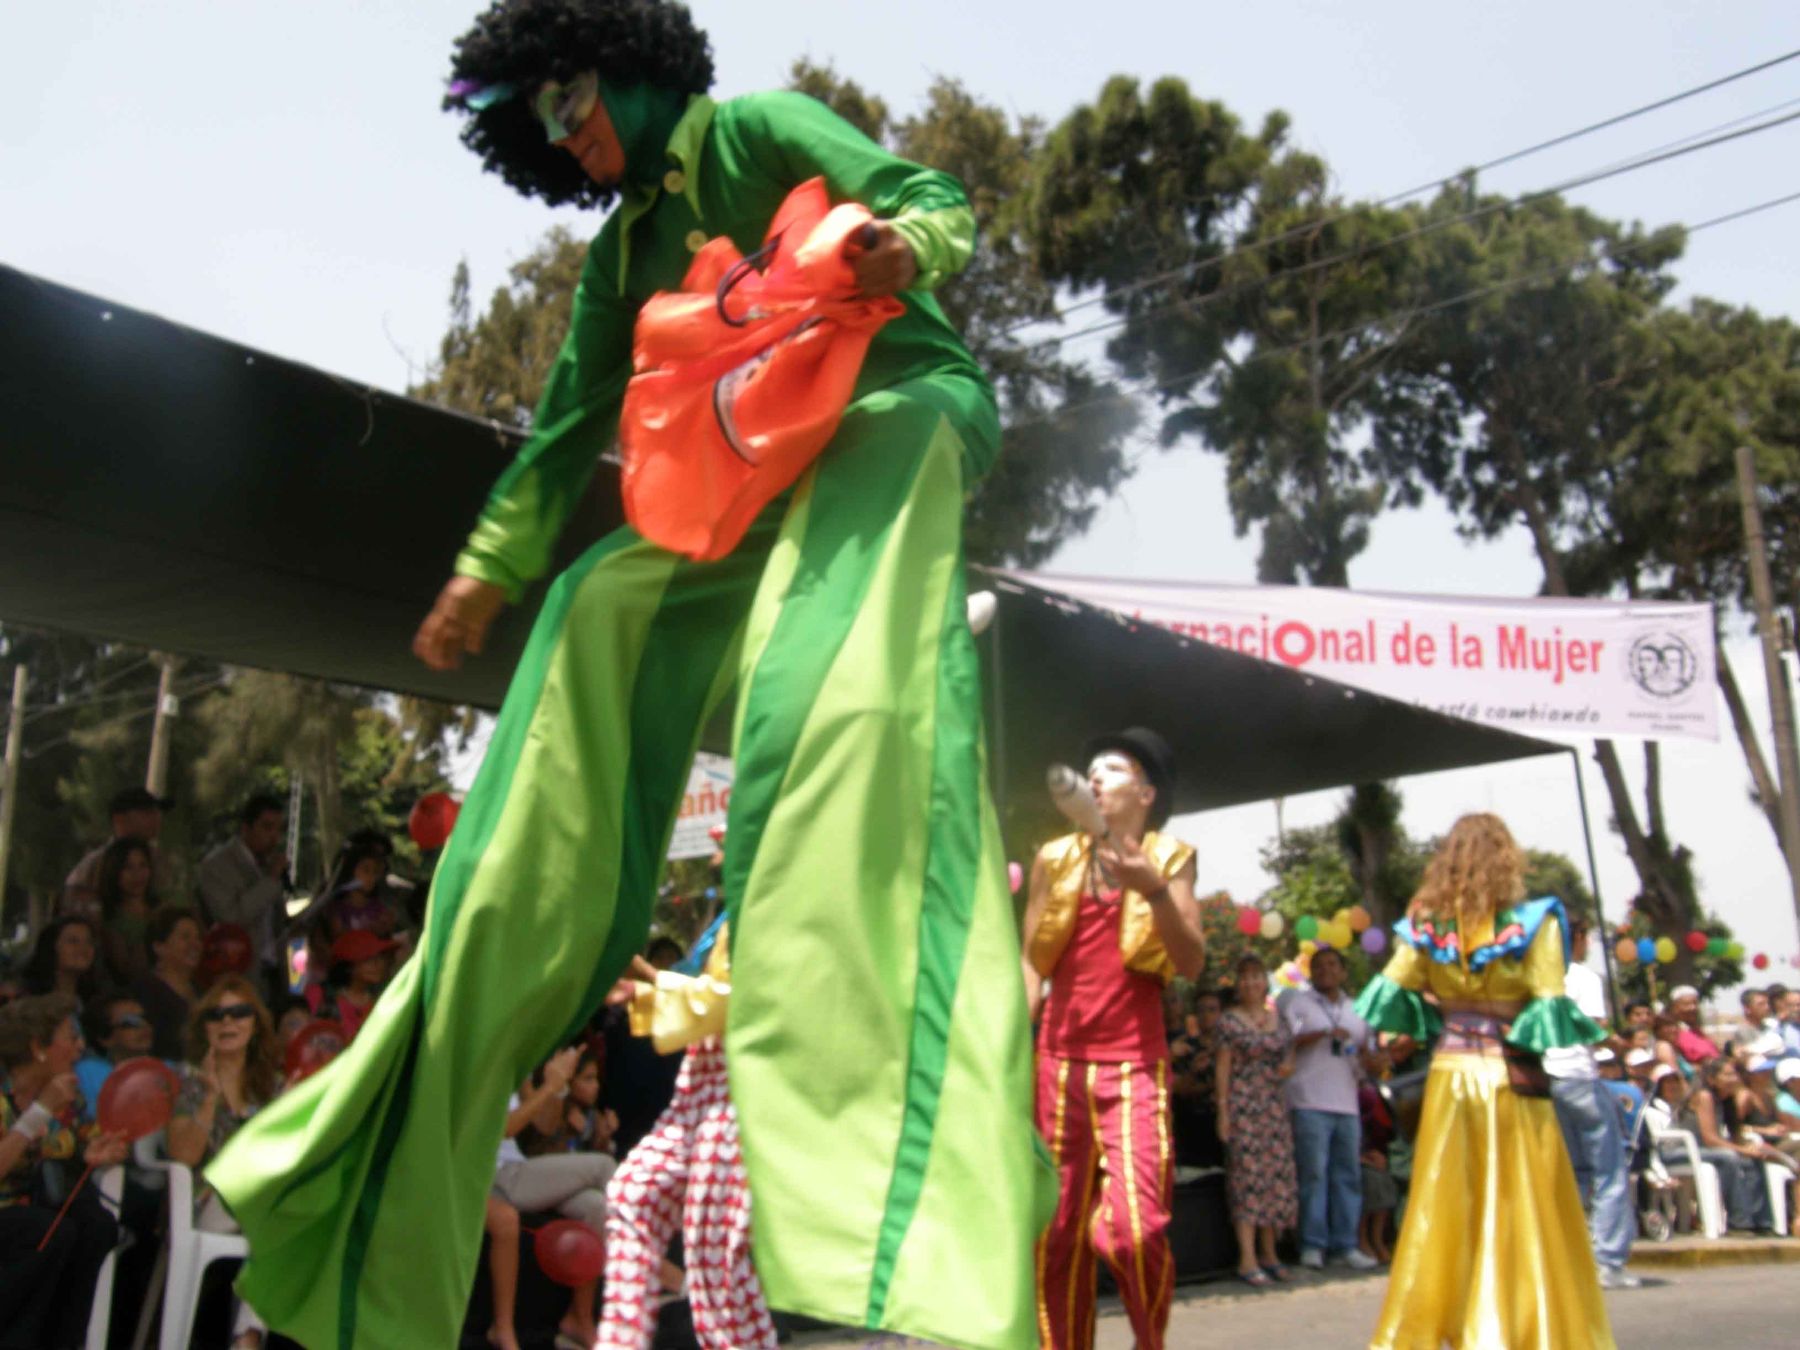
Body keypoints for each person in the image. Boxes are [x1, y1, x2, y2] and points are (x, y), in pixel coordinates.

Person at [212, 5, 1051, 1346]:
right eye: (543, 124)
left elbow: (926, 194)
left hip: (896, 407)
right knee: (598, 597)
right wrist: (488, 568)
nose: (568, 131)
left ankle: (882, 1159)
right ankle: (490, 979)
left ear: (639, 68)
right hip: (768, 471)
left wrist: (910, 244)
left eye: (573, 96)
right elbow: (563, 429)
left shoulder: (765, 130)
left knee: (809, 680)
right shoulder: (622, 258)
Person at [1356, 813, 1614, 1349]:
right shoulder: (1537, 921)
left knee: (1443, 1208)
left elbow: (1388, 994)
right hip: (1507, 1079)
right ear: (1507, 858)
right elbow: (1548, 1007)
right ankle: (1520, 1327)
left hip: (1449, 1077)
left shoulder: (1427, 926)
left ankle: (1435, 1327)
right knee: (1521, 1204)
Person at [1021, 728, 1204, 1348]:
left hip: (1133, 1070)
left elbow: (1192, 962)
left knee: (1134, 1231)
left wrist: (1151, 888)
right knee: (1055, 1234)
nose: (1095, 775)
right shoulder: (1055, 859)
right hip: (1058, 1065)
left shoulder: (1172, 857)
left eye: (1115, 769)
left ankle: (1149, 1340)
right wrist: (1010, 1049)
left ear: (1147, 793)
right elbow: (1030, 963)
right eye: (1091, 767)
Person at [601, 920, 763, 1348]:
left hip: (743, 1089)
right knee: (633, 1194)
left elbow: (740, 999)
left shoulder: (776, 892)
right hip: (703, 1084)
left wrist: (644, 986)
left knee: (715, 1261)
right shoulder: (738, 901)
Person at [0, 993, 130, 1350]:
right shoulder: (7, 1097)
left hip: (30, 1207)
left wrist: (93, 1154)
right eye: (70, 1038)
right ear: (38, 1047)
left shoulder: (66, 1100)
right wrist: (39, 1112)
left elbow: (64, 1150)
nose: (79, 1047)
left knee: (96, 1226)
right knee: (44, 1233)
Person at [165, 976, 281, 1349]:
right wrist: (210, 1095)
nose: (227, 1022)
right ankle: (247, 1340)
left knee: (284, 1222)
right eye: (216, 1015)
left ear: (255, 1024)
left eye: (239, 1012)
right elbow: (183, 1155)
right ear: (204, 1028)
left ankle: (246, 1338)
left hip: (264, 1206)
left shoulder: (274, 1086)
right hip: (207, 1202)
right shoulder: (189, 1082)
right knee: (281, 1215)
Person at [1544, 916, 1639, 1289]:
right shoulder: (1582, 978)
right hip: (1580, 1076)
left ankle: (1572, 1253)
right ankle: (1609, 1260)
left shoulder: (1537, 976)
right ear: (1577, 938)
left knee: (1574, 1172)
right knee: (1610, 1171)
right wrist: (1620, 1045)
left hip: (1548, 1079)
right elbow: (1595, 1029)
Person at [1281, 944, 1381, 1272]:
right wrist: (1322, 1033)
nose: (1326, 971)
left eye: (1332, 965)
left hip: (1346, 1102)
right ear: (1311, 972)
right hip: (1308, 1099)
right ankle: (1312, 1244)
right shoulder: (1298, 1002)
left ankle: (1345, 1244)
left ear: (1343, 972)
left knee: (1347, 1176)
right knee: (1313, 1175)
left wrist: (1373, 1059)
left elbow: (1369, 1055)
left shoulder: (1358, 1010)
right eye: (1319, 966)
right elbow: (1284, 1043)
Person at [1216, 953, 1298, 1288]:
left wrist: (1288, 1065)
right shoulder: (1228, 1022)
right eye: (1244, 977)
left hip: (1274, 1106)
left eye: (1256, 976)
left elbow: (1289, 1053)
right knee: (1247, 1179)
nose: (1251, 983)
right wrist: (1223, 1110)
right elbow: (1222, 1067)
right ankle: (1247, 1256)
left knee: (1275, 1177)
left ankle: (1270, 1252)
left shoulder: (1278, 1018)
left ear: (1266, 981)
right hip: (1243, 1105)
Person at [197, 794, 290, 1000]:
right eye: (267, 828)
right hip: (240, 976)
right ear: (246, 828)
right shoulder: (217, 866)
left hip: (273, 974)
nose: (274, 837)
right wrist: (271, 879)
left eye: (279, 829)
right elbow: (231, 918)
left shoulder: (267, 865)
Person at [1673, 1056, 1777, 1232]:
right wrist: (1742, 1150)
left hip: (1708, 1150)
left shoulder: (1727, 1099)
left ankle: (1762, 1223)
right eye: (1727, 1075)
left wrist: (1751, 1148)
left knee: (1754, 1160)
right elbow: (1710, 1139)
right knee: (1729, 1158)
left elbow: (1735, 1134)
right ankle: (1739, 1222)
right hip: (1683, 1150)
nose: (1734, 1079)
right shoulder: (1704, 1096)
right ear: (1712, 1079)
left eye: (1734, 1074)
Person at [62, 786, 175, 917]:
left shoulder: (161, 860)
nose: (157, 817)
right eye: (147, 812)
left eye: (158, 812)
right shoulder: (95, 864)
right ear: (119, 819)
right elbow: (72, 908)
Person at [130, 906, 204, 1060]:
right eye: (185, 937)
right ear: (159, 947)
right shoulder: (146, 992)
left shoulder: (201, 990)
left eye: (197, 938)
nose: (195, 944)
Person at [74, 991, 156, 1122]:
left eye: (145, 1019)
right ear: (105, 1037)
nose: (143, 1026)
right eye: (130, 1023)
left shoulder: (172, 1069)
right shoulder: (88, 1071)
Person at [304, 930, 400, 1041]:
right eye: (369, 959)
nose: (378, 964)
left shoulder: (385, 998)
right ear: (348, 967)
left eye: (380, 958)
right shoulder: (319, 995)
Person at [1169, 986, 1223, 1167]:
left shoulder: (1230, 1048)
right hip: (1192, 1129)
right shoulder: (1184, 1047)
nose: (1206, 1015)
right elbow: (1179, 1090)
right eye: (1201, 1010)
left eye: (1212, 1010)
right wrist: (1194, 1072)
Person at [21, 915, 105, 1010]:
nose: (83, 948)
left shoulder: (97, 1001)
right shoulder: (27, 999)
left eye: (89, 942)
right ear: (51, 947)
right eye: (73, 941)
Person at [1356, 1079, 1398, 1265]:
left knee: (1384, 1179)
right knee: (1369, 1181)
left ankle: (1377, 1238)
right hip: (1352, 1158)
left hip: (1369, 1151)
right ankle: (1362, 1238)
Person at [1668, 984, 1721, 1067]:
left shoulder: (1699, 1032)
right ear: (1675, 1007)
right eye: (1687, 1004)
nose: (1693, 1007)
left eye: (1695, 1003)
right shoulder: (1672, 1032)